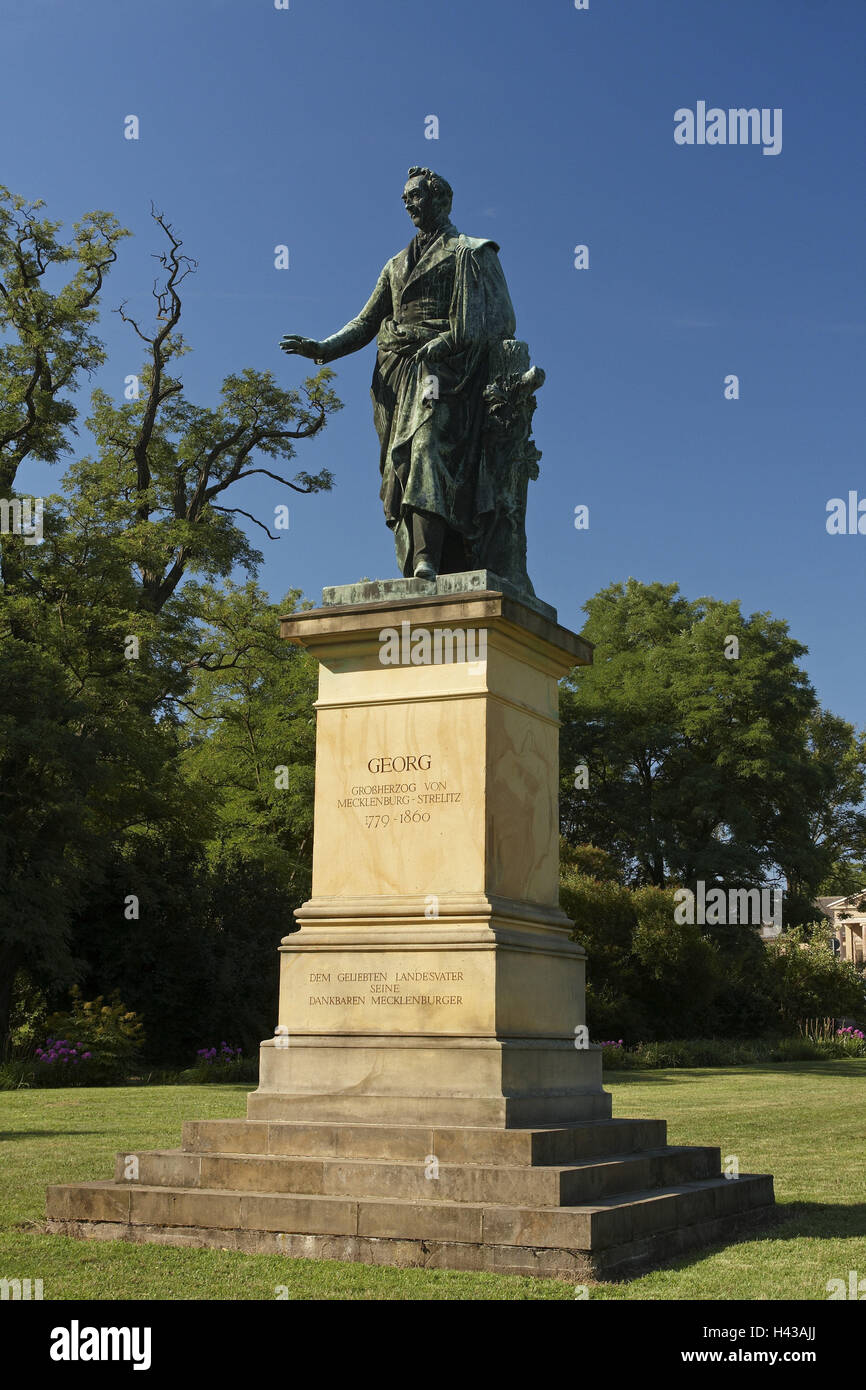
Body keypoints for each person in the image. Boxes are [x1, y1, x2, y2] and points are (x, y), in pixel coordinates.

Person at [281, 167, 517, 580]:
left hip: (447, 372)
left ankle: (428, 557)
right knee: (400, 466)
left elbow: (501, 320)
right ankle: (424, 558)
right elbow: (365, 322)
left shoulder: (471, 252)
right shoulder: (394, 265)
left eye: (416, 196)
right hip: (394, 374)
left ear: (441, 200)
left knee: (425, 444)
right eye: (405, 198)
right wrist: (323, 349)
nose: (408, 203)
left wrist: (445, 342)